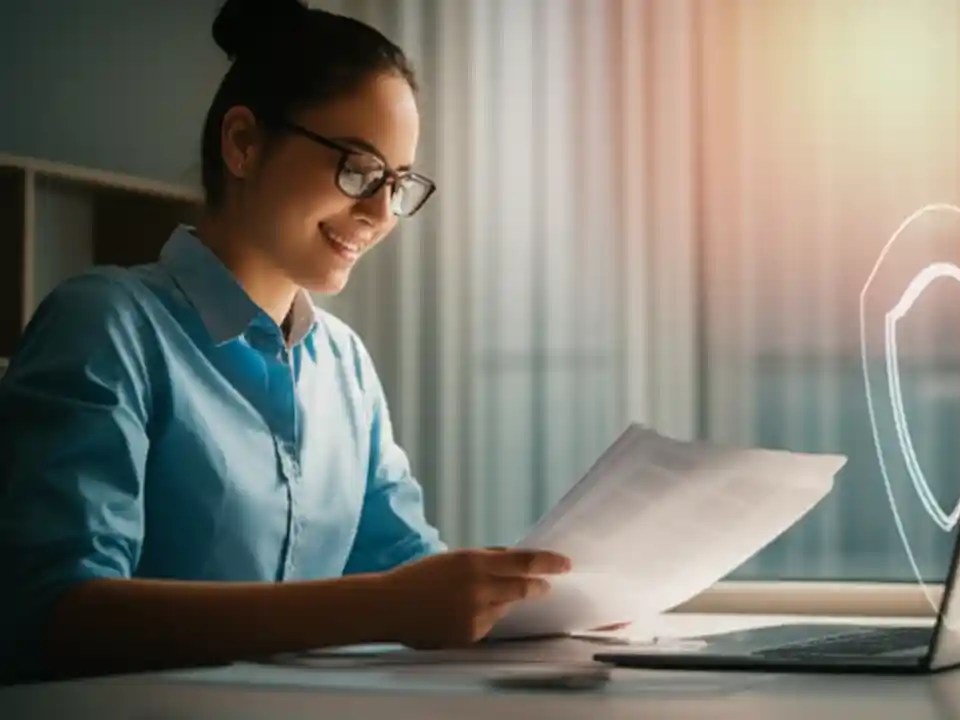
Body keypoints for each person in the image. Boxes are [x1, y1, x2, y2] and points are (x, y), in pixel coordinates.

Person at [0, 0, 576, 683]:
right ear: (243, 143)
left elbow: (411, 574)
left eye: (397, 185)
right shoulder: (106, 325)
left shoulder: (344, 365)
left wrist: (540, 593)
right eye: (359, 170)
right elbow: (57, 615)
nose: (380, 213)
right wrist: (384, 607)